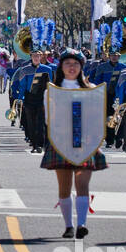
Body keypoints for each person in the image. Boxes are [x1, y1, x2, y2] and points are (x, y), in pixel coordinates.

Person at [42, 49, 107, 239]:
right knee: (64, 187)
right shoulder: (52, 90)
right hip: (61, 140)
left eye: (76, 64)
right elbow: (48, 120)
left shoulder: (91, 88)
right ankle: (68, 225)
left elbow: (97, 118)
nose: (72, 67)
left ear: (81, 67)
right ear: (61, 67)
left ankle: (82, 223)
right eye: (68, 64)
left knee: (82, 183)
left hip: (85, 142)